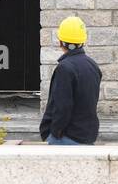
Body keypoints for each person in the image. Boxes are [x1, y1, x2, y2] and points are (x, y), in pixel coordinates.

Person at [39, 16, 102, 145]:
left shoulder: (64, 68)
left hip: (66, 137)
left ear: (60, 42)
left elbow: (62, 106)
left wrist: (55, 132)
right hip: (87, 135)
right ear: (83, 41)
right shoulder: (93, 65)